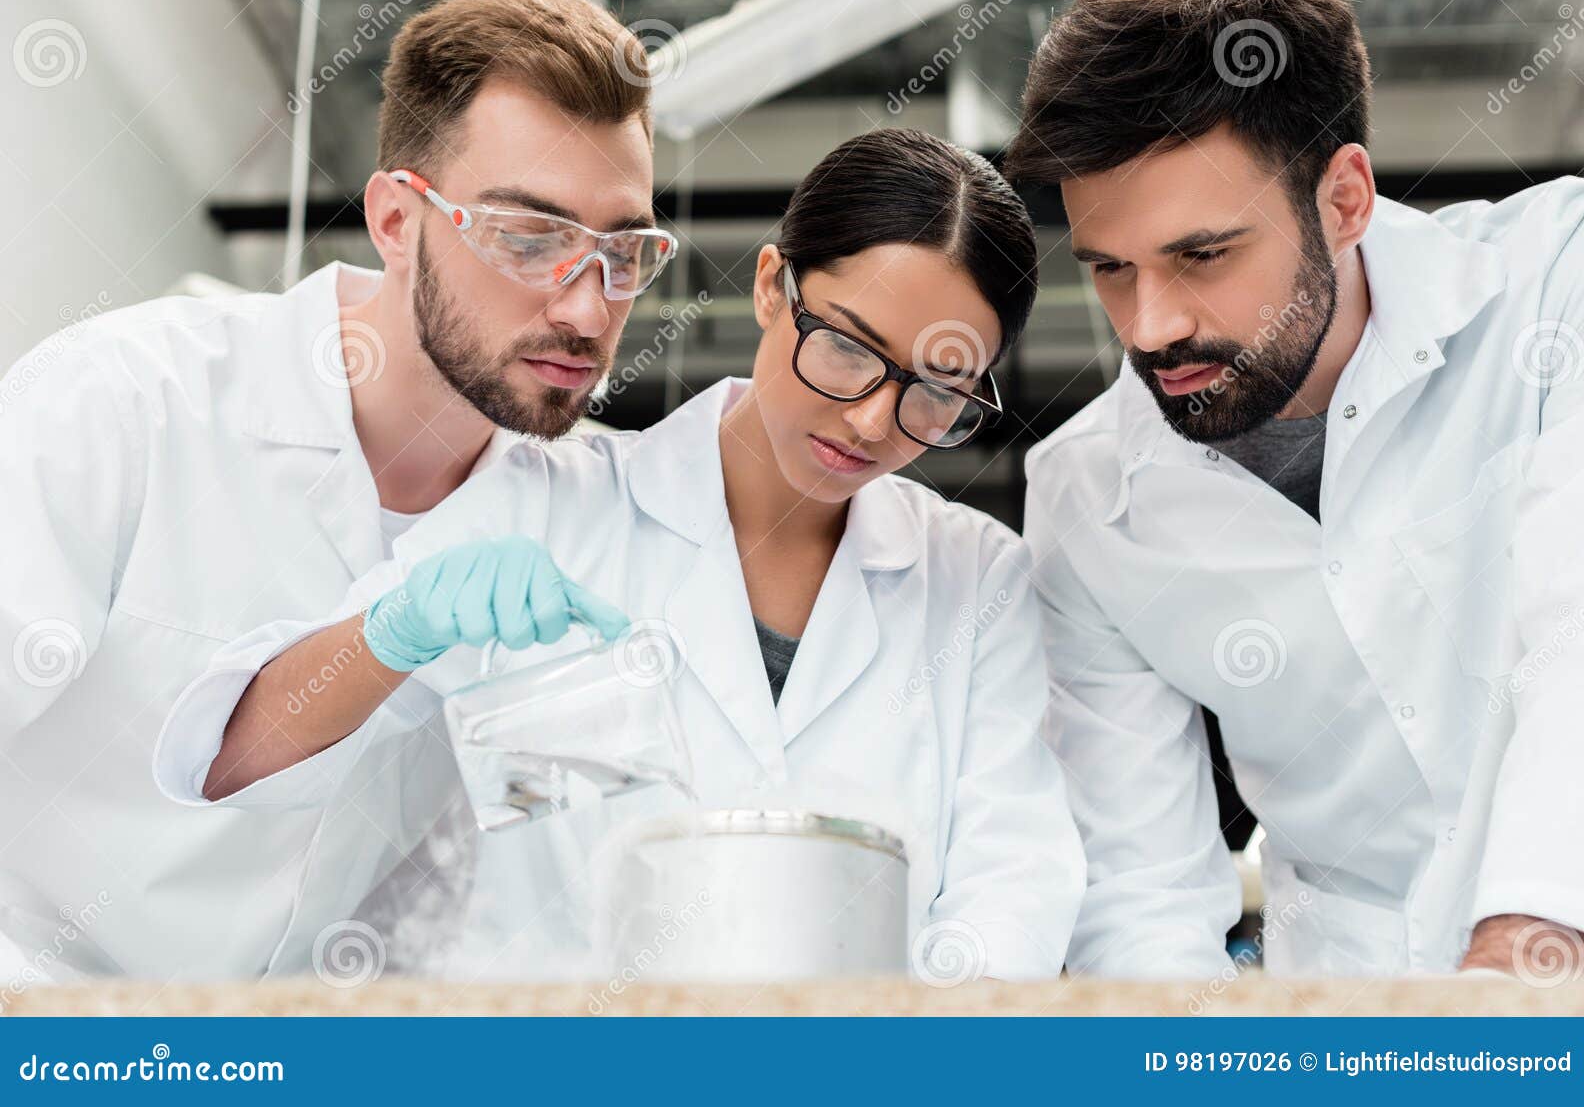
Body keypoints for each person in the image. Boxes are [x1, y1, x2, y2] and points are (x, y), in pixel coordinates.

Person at [155, 128, 1084, 982]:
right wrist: (394, 634)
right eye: (847, 349)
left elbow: (1015, 881)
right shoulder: (547, 502)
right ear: (771, 286)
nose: (874, 420)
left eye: (938, 391)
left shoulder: (975, 577)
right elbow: (231, 759)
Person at [0, 0, 669, 981]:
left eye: (623, 253)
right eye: (530, 240)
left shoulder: (579, 517)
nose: (586, 311)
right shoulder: (123, 400)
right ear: (398, 220)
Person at [1008, 0, 1584, 980]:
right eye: (1109, 269)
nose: (1151, 329)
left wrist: (1531, 950)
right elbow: (1137, 890)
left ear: (1343, 200)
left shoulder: (1561, 284)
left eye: (1202, 256)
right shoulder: (1084, 496)